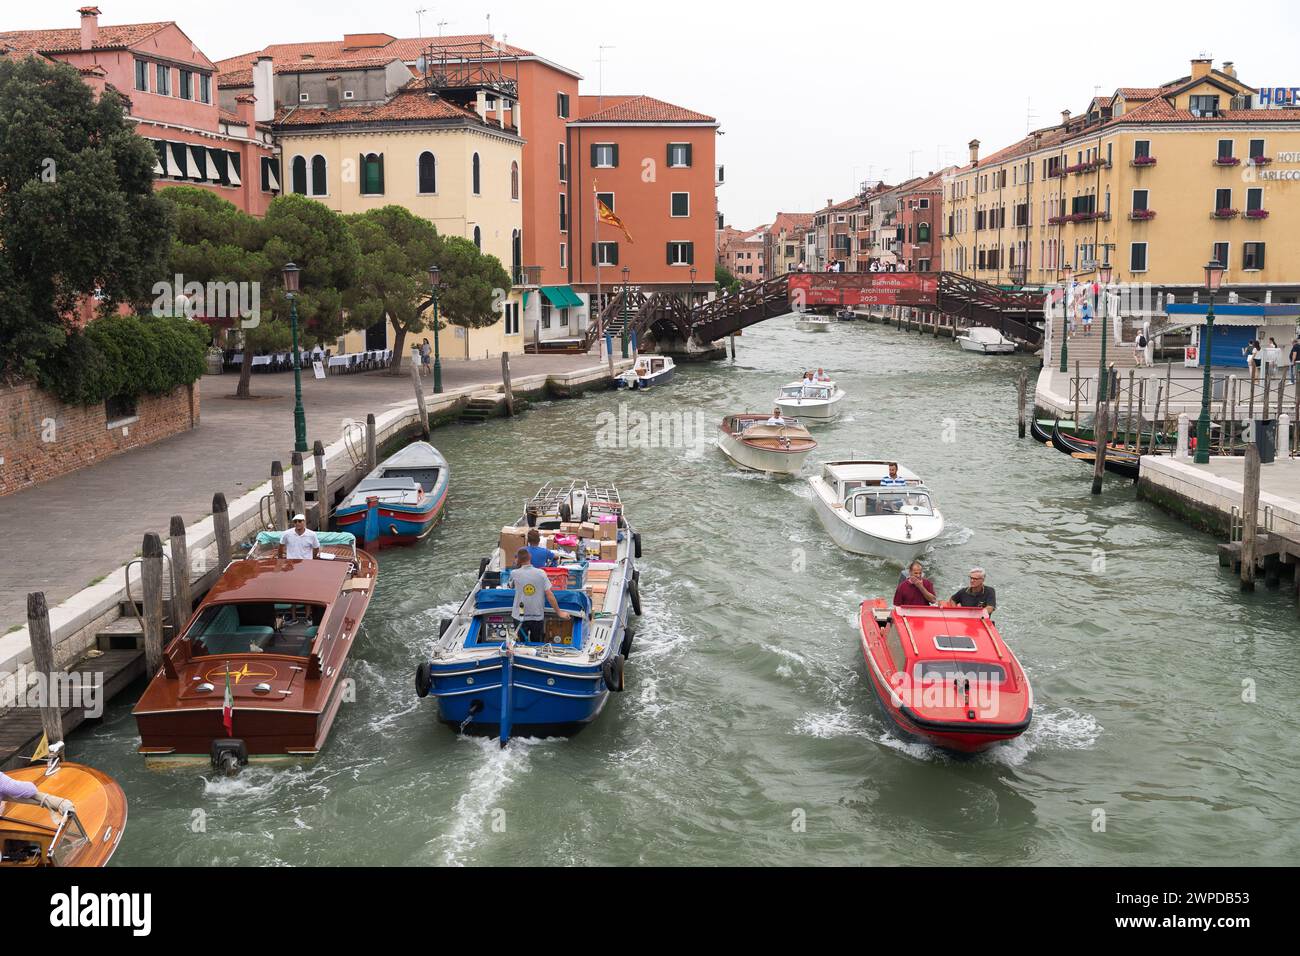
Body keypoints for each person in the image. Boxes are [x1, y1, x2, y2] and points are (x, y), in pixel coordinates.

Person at [508, 547, 569, 643]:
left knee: (520, 644)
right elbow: (549, 595)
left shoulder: (514, 573)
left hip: (519, 616)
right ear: (530, 557)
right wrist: (559, 612)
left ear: (518, 560)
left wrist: (516, 564)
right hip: (537, 615)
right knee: (537, 643)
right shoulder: (541, 573)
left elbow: (510, 586)